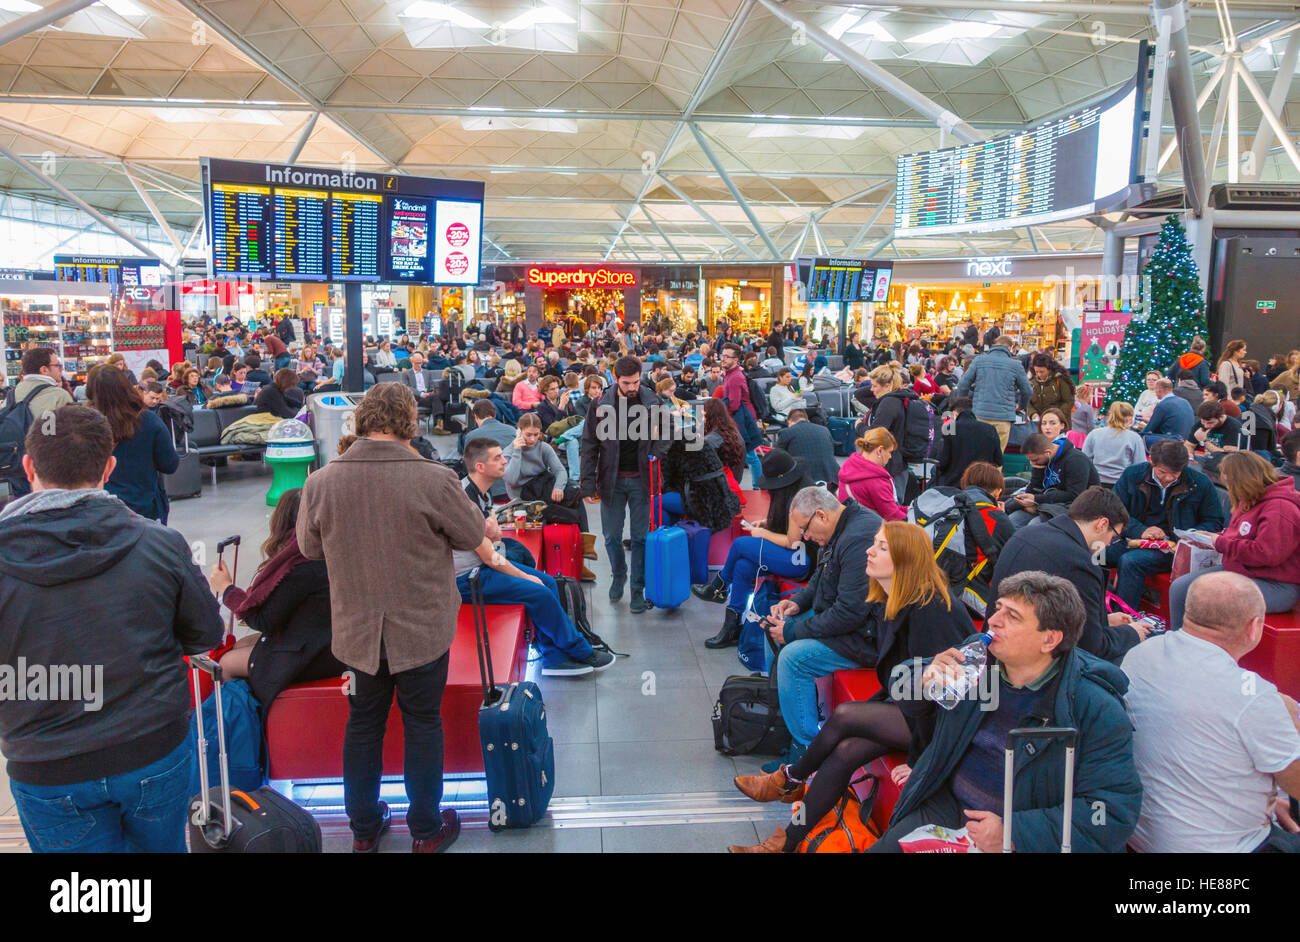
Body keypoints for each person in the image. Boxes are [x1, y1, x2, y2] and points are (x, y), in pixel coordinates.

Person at [0, 405, 223, 852]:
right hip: (152, 746)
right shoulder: (160, 543)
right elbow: (206, 635)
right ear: (109, 468)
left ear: (27, 467)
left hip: (46, 763)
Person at [297, 383, 485, 853]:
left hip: (357, 632)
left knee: (363, 725)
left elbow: (308, 547)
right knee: (424, 723)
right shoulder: (433, 477)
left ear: (361, 420)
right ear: (408, 420)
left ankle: (363, 827)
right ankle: (425, 828)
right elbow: (470, 534)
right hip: (422, 627)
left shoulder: (322, 480)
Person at [729, 520, 975, 853]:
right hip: (908, 706)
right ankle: (788, 841)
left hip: (939, 722)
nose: (870, 551)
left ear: (906, 559)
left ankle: (790, 779)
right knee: (844, 752)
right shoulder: (892, 598)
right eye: (874, 542)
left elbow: (951, 693)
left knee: (844, 715)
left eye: (883, 547)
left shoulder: (932, 607)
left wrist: (922, 759)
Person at [867, 571, 1141, 853]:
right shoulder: (979, 658)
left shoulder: (1092, 705)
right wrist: (923, 678)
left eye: (1012, 616)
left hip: (1017, 833)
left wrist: (1015, 834)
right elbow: (900, 687)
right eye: (997, 608)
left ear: (1050, 640)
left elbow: (1109, 811)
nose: (993, 620)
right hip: (946, 808)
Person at [1122, 570, 1300, 852]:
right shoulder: (1254, 695)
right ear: (1254, 627)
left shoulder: (1140, 655)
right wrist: (1293, 720)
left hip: (1139, 835)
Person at [455, 439, 613, 677]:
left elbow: (492, 546)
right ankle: (579, 650)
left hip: (483, 565)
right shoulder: (466, 501)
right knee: (538, 590)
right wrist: (522, 572)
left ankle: (554, 657)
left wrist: (495, 538)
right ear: (480, 467)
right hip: (468, 579)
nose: (504, 460)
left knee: (548, 582)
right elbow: (490, 557)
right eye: (497, 457)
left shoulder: (481, 494)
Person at [761, 487, 883, 769]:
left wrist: (792, 632)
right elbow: (821, 575)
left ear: (820, 515)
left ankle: (806, 753)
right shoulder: (842, 526)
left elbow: (850, 613)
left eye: (805, 529)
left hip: (866, 637)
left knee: (793, 659)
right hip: (847, 622)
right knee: (771, 627)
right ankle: (784, 723)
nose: (804, 537)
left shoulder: (858, 537)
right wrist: (796, 603)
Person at [207, 488, 346, 706]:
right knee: (241, 645)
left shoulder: (300, 566)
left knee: (225, 663)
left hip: (314, 655)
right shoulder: (332, 551)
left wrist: (226, 590)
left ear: (281, 523)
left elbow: (264, 620)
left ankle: (248, 725)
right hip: (330, 644)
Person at [988, 485, 1147, 662]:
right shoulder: (1080, 563)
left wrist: (1105, 620)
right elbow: (1092, 647)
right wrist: (1131, 633)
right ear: (1102, 524)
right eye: (1114, 536)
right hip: (1026, 664)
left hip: (996, 650)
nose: (1110, 543)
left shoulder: (1027, 533)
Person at [579, 355, 672, 613]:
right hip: (612, 480)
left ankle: (637, 590)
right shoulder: (600, 404)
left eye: (635, 381)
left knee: (641, 537)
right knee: (611, 536)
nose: (632, 387)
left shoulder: (653, 400)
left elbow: (668, 430)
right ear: (615, 378)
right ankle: (619, 574)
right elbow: (589, 445)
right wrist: (587, 484)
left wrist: (658, 451)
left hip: (643, 479)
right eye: (626, 383)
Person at [694, 448, 816, 645]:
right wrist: (767, 523)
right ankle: (732, 627)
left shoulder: (798, 500)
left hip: (800, 561)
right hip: (797, 557)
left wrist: (763, 533)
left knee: (741, 544)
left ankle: (719, 586)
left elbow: (793, 542)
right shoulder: (797, 492)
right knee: (743, 566)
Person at [1168, 451, 1300, 630]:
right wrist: (1215, 538)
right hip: (1241, 571)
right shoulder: (1251, 500)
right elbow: (1240, 537)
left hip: (1275, 584)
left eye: (1229, 483)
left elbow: (1267, 554)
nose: (1228, 487)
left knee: (1209, 598)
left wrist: (1221, 542)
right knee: (1181, 587)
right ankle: (1180, 640)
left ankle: (1209, 647)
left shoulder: (1280, 508)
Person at [1109, 439, 1226, 609]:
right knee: (1096, 553)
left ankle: (1124, 621)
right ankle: (1095, 610)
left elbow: (1214, 521)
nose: (1169, 478)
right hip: (1134, 538)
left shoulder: (1199, 483)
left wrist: (1187, 539)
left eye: (1175, 473)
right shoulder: (1133, 475)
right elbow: (1115, 511)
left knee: (1131, 562)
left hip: (1174, 547)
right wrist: (1141, 530)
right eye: (1162, 472)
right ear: (1151, 462)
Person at [86, 364, 179, 524]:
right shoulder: (148, 420)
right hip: (144, 507)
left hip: (98, 511)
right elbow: (170, 464)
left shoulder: (83, 424)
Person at [1002, 431, 1098, 527]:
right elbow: (1034, 488)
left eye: (1035, 460)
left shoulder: (1076, 460)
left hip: (1075, 506)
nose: (1032, 463)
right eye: (1030, 460)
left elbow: (1074, 495)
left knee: (1034, 526)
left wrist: (1037, 499)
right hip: (1047, 502)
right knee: (1012, 520)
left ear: (1048, 452)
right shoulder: (1044, 460)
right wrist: (1037, 471)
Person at [954, 335, 1033, 450]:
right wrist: (1021, 406)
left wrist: (964, 408)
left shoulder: (979, 360)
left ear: (994, 345)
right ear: (1010, 348)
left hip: (980, 415)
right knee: (997, 457)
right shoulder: (1016, 365)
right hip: (1004, 418)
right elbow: (1027, 390)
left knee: (978, 454)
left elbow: (962, 385)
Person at [930, 395, 1001, 489]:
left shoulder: (950, 428)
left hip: (954, 484)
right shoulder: (990, 429)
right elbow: (998, 460)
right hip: (982, 484)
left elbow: (943, 461)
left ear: (954, 413)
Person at [838, 426, 906, 521]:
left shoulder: (850, 466)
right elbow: (893, 516)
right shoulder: (876, 481)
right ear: (879, 450)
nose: (890, 456)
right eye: (890, 452)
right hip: (872, 531)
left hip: (852, 526)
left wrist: (908, 509)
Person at [719, 342, 762, 485]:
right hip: (741, 417)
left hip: (742, 419)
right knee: (749, 454)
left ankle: (758, 485)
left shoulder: (735, 377)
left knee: (750, 455)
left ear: (735, 360)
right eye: (722, 355)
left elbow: (734, 404)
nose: (723, 359)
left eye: (727, 356)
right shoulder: (731, 374)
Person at [864, 363, 915, 479]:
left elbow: (874, 434)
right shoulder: (899, 398)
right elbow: (860, 394)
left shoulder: (889, 403)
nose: (871, 389)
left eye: (874, 386)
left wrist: (859, 427)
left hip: (890, 465)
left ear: (887, 386)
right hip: (898, 462)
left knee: (889, 496)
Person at [1082, 401, 1146, 486]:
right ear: (1129, 418)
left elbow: (1085, 459)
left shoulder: (1095, 434)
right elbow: (1140, 465)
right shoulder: (1134, 438)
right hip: (1122, 484)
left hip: (1097, 482)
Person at [773, 408, 838, 489]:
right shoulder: (824, 429)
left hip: (803, 482)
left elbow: (776, 457)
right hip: (831, 478)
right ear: (807, 419)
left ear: (789, 421)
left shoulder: (786, 432)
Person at [700, 396, 746, 486]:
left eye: (703, 416)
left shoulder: (710, 441)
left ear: (710, 416)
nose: (702, 420)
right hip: (734, 484)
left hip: (716, 488)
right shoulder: (735, 433)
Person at [1140, 378, 1195, 447]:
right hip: (1187, 440)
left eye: (1155, 390)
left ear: (1159, 389)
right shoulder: (1185, 402)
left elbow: (1149, 429)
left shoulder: (1162, 405)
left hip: (1172, 442)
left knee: (1140, 437)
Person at [1027, 352, 1075, 420]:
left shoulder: (1060, 379)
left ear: (1049, 369)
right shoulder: (1031, 381)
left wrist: (1057, 415)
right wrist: (1033, 413)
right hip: (1038, 422)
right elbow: (1027, 401)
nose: (1039, 375)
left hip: (1059, 422)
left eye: (1042, 372)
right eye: (1036, 372)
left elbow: (1069, 401)